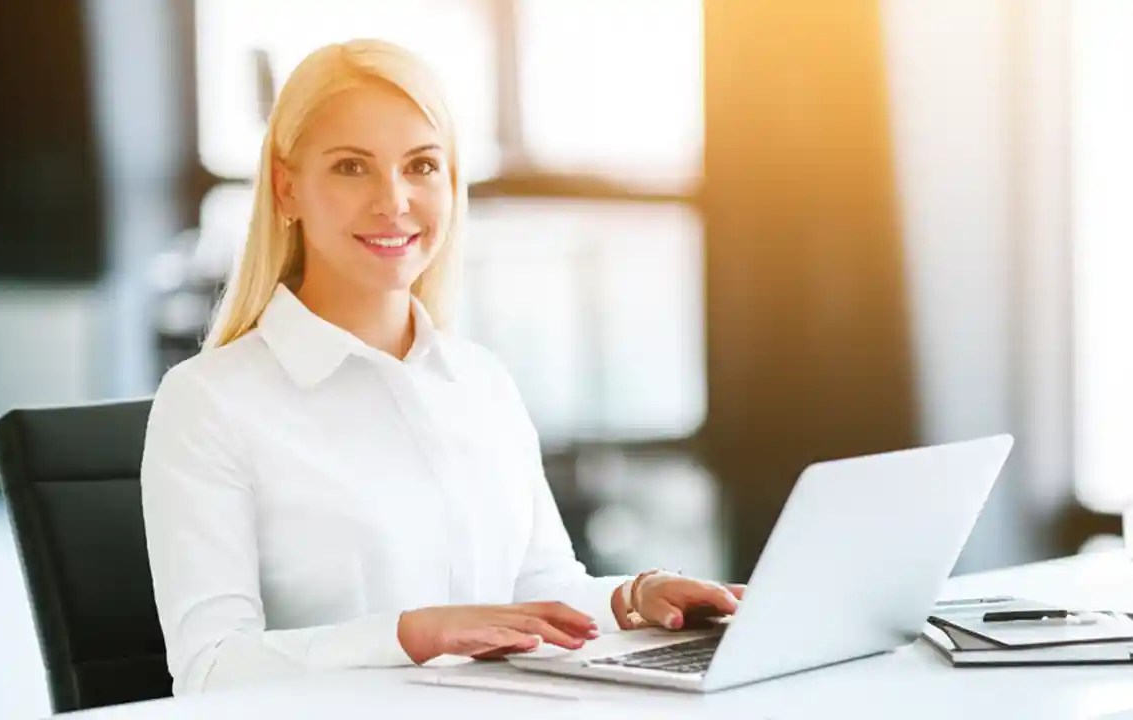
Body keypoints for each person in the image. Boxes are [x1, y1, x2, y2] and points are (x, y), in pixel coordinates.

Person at [141, 38, 742, 696]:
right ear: (287, 187)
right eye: (351, 167)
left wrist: (636, 597)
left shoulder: (480, 380)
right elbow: (210, 669)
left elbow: (541, 593)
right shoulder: (209, 402)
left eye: (421, 166)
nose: (394, 200)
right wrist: (411, 635)